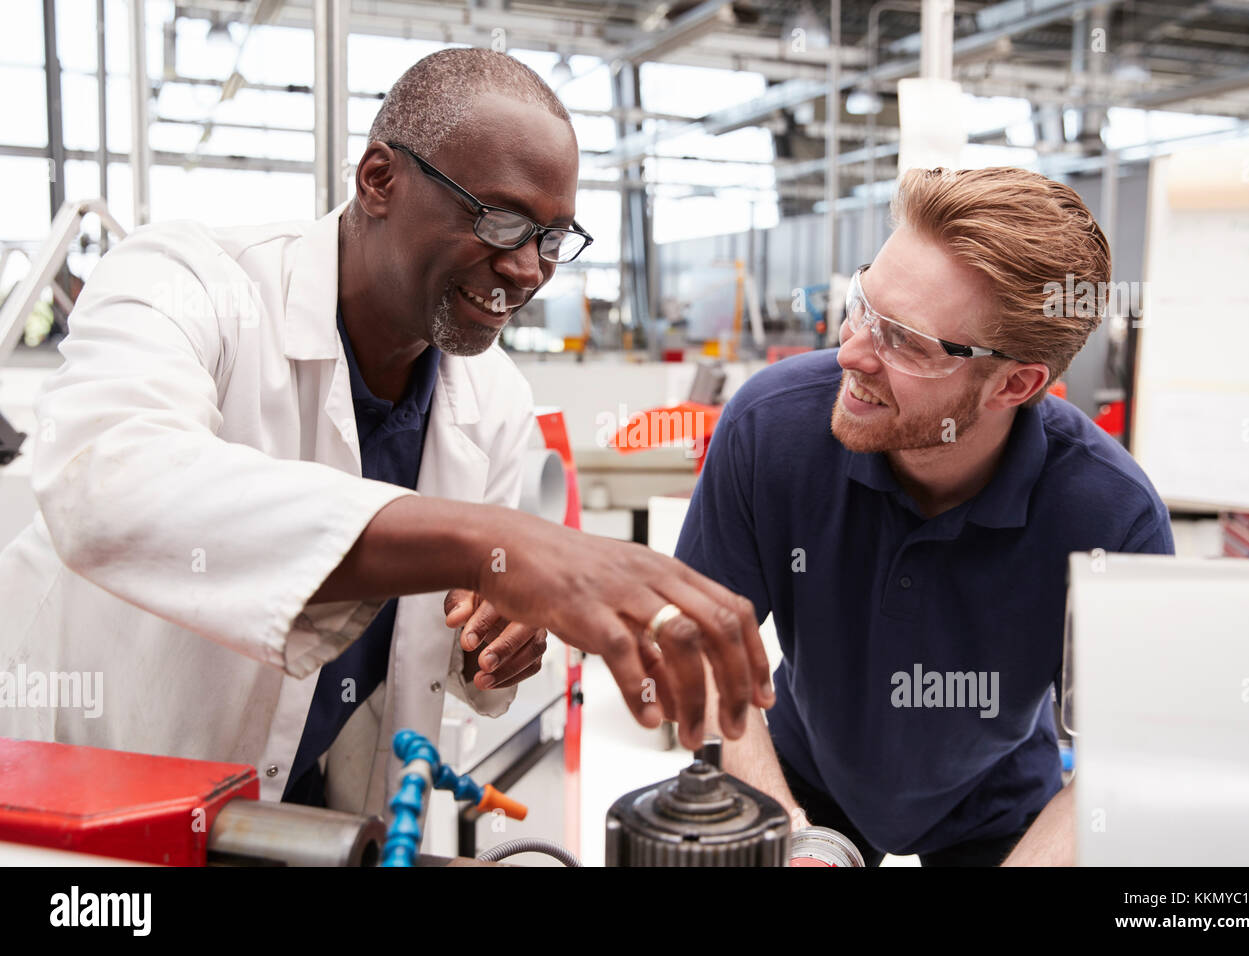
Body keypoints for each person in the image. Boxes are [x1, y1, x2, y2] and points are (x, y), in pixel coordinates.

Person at [0, 49, 771, 815]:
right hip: (86, 794)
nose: (530, 270)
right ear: (379, 180)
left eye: (552, 236)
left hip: (304, 813)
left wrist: (497, 645)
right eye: (502, 220)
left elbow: (459, 646)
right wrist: (485, 542)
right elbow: (107, 488)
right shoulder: (188, 279)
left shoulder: (492, 399)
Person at [676, 167, 1173, 866]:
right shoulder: (771, 427)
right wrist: (792, 837)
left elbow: (1129, 759)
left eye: (904, 341)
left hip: (996, 807)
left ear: (1016, 383)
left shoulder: (1113, 518)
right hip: (801, 776)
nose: (851, 351)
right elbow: (694, 648)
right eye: (862, 304)